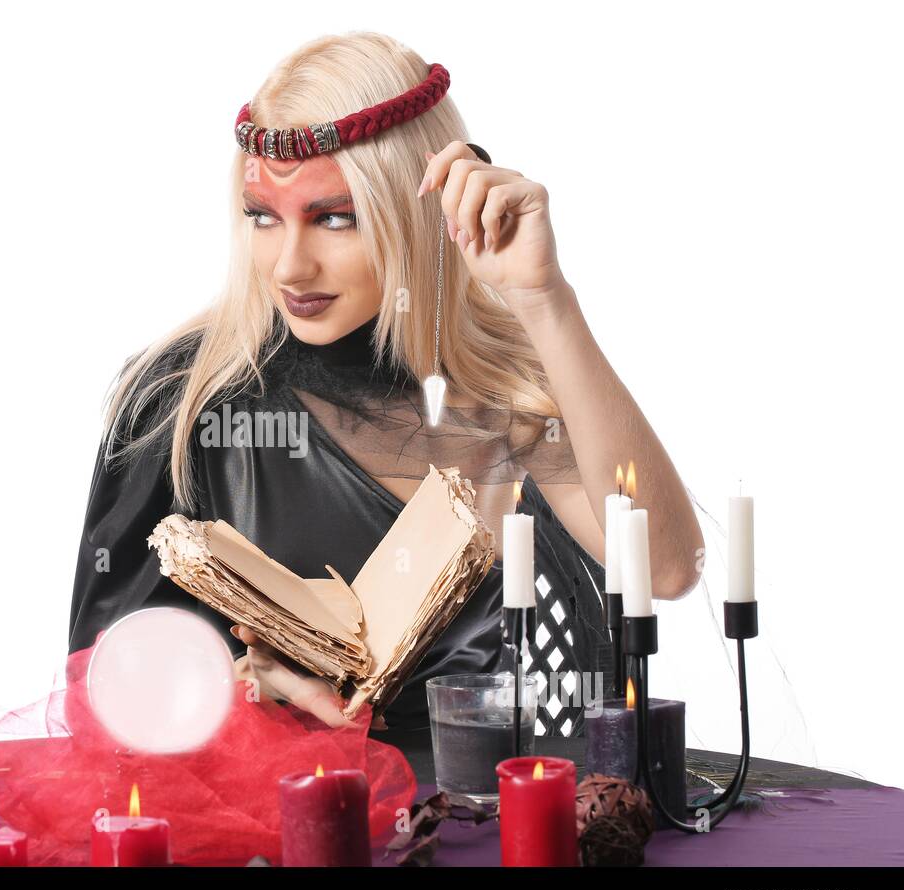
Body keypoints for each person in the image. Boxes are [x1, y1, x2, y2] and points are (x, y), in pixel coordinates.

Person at [68, 31, 703, 734]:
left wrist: (546, 299)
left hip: (495, 822)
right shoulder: (181, 402)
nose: (288, 267)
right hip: (290, 835)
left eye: (335, 219)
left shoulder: (508, 392)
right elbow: (104, 695)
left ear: (421, 212)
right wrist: (247, 689)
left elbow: (668, 567)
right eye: (263, 218)